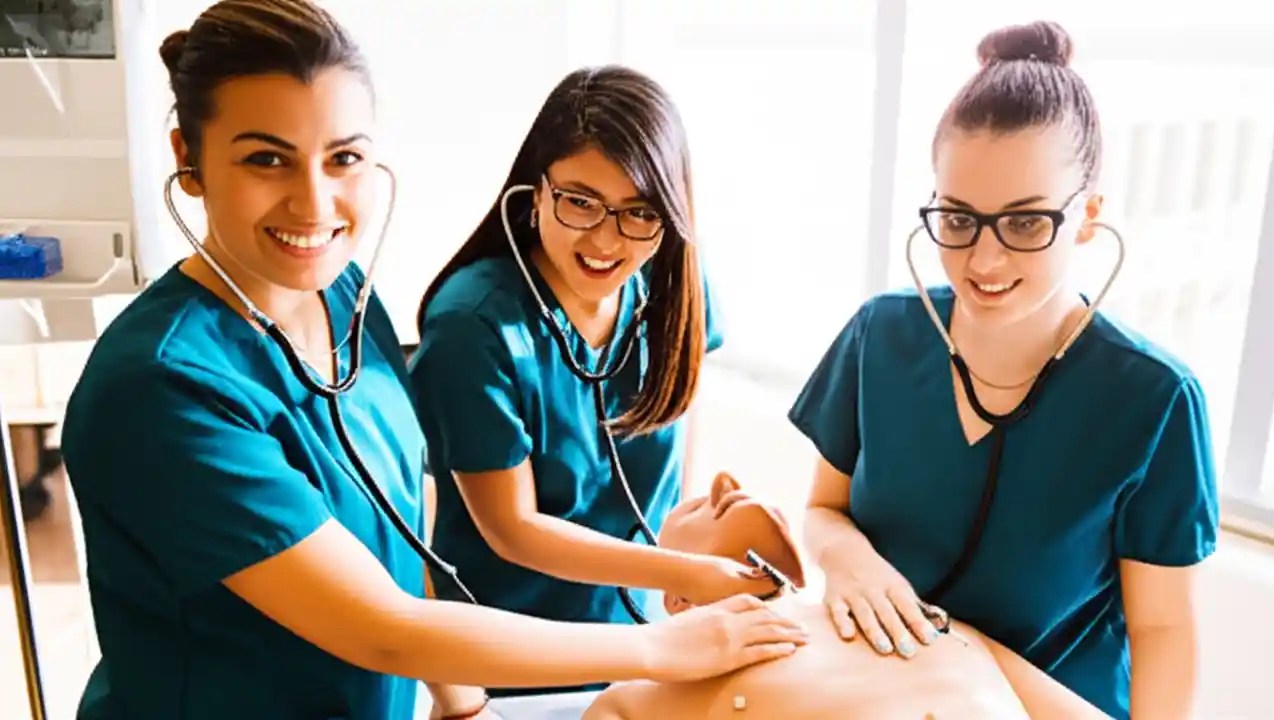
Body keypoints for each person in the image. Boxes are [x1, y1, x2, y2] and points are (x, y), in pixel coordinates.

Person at [57, 3, 807, 719]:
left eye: (343, 158)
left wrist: (459, 698)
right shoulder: (163, 390)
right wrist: (667, 644)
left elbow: (403, 533)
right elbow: (380, 626)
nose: (315, 205)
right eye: (267, 159)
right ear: (189, 161)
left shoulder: (341, 295)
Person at [789, 20, 1219, 720]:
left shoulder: (1154, 399)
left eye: (1025, 224)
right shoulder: (881, 336)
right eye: (957, 220)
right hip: (878, 696)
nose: (982, 262)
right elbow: (822, 510)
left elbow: (1164, 629)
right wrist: (850, 561)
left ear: (1087, 217)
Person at [408, 65, 780, 698]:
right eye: (580, 201)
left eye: (640, 212)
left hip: (652, 647)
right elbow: (512, 530)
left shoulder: (676, 291)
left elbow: (674, 427)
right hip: (518, 663)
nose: (607, 240)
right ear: (536, 190)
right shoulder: (474, 328)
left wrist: (687, 556)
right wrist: (685, 570)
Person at [584, 473, 1110, 719]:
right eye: (697, 507)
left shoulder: (931, 624)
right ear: (677, 599)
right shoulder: (638, 697)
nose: (726, 483)